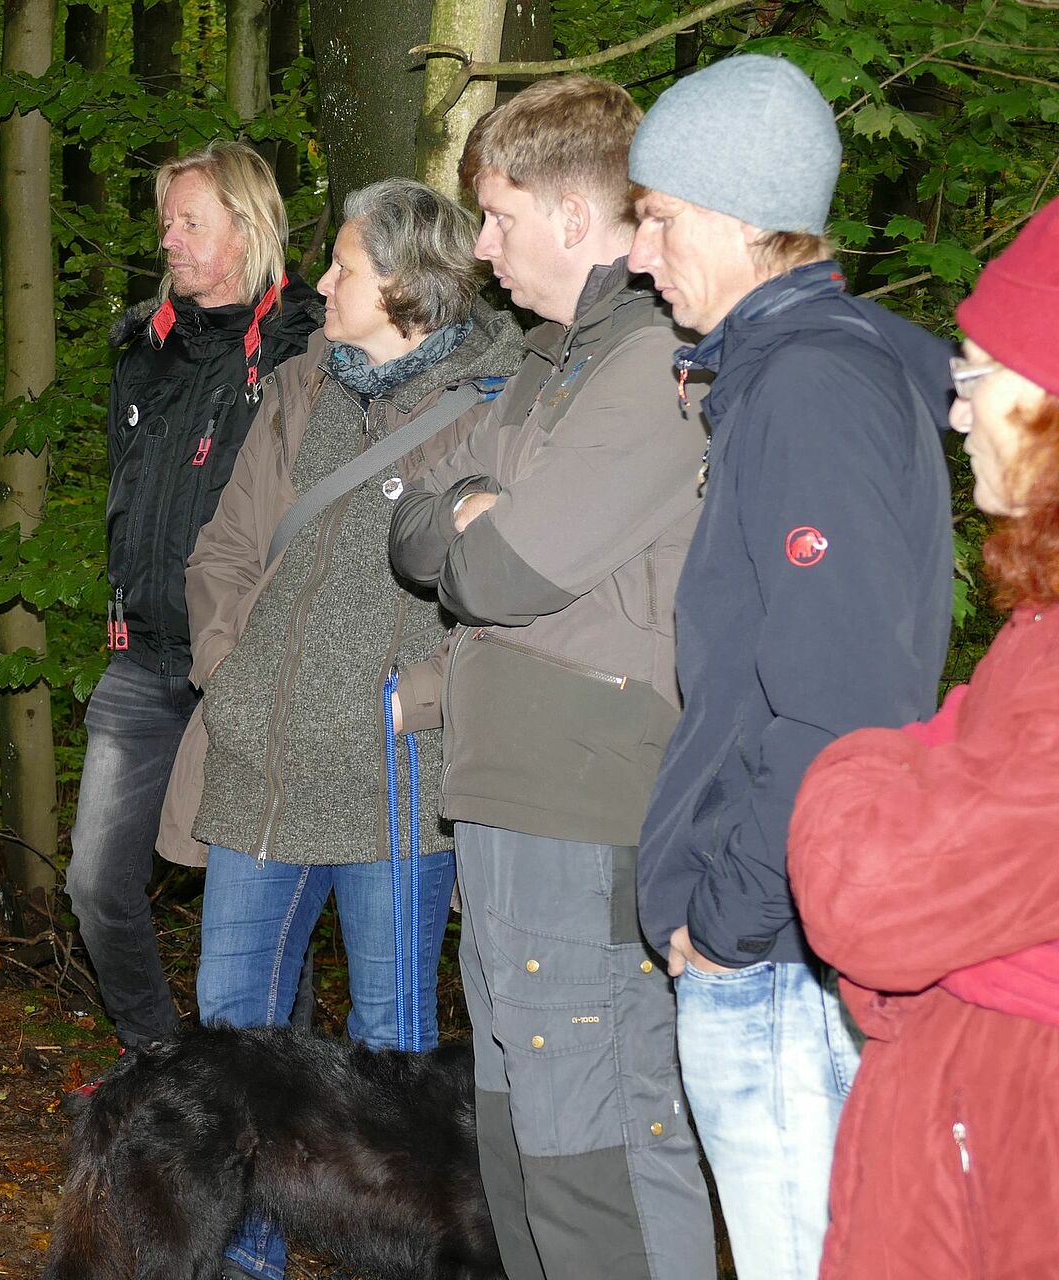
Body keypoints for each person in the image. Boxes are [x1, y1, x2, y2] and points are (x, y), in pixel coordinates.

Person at [626, 56, 954, 1280]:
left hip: (779, 955)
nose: (640, 252)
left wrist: (732, 919)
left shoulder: (812, 389)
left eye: (658, 217)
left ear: (736, 213)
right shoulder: (790, 374)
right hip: (783, 934)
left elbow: (845, 703)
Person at [385, 76, 715, 1280]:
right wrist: (470, 513)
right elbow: (413, 526)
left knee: (596, 1158)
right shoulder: (544, 363)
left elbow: (499, 570)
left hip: (582, 812)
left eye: (498, 215)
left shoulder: (655, 367)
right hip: (504, 799)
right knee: (520, 1150)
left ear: (576, 217)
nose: (481, 246)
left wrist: (477, 517)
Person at [164, 177, 524, 1280]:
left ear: (406, 286)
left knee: (392, 1060)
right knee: (232, 1044)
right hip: (260, 771)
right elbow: (225, 549)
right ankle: (247, 1264)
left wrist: (421, 697)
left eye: (345, 267)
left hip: (394, 781)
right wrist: (228, 672)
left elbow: (519, 593)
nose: (320, 281)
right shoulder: (300, 385)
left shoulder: (501, 402)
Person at [787, 198, 1059, 1280]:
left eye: (981, 374)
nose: (956, 410)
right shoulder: (1038, 631)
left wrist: (856, 759)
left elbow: (872, 899)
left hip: (1004, 1176)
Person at [67, 141, 321, 1051]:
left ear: (248, 228)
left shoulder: (312, 348)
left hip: (251, 666)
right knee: (96, 885)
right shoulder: (145, 347)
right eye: (165, 221)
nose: (167, 239)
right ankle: (162, 1063)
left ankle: (276, 1092)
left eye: (190, 222)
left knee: (256, 903)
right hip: (143, 658)